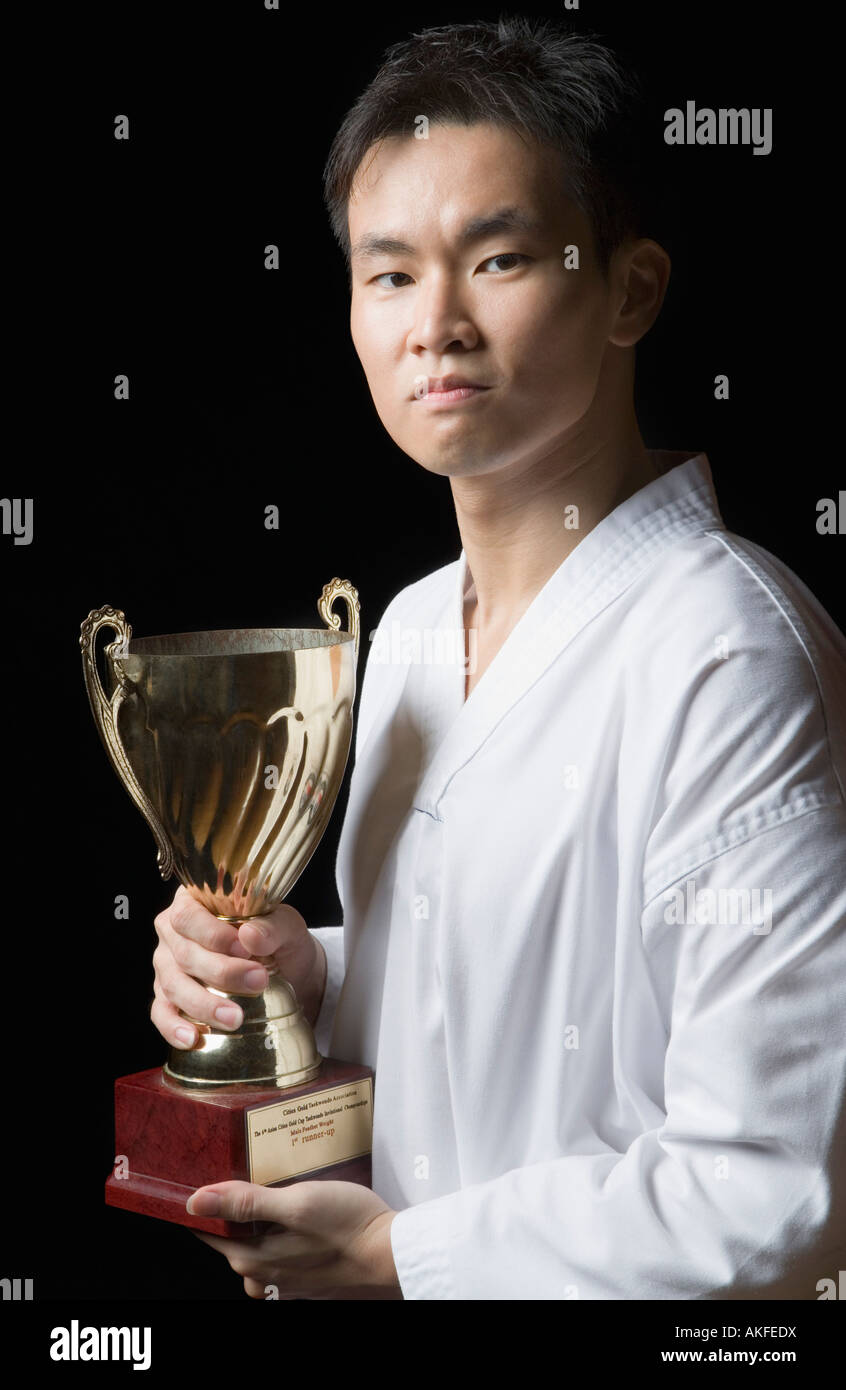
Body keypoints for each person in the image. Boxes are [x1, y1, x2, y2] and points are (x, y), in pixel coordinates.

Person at [150, 18, 846, 1300]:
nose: (437, 325)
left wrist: (411, 1260)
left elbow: (777, 1188)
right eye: (389, 274)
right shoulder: (410, 628)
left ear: (631, 289)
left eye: (502, 258)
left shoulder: (727, 651)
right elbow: (516, 995)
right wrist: (310, 975)